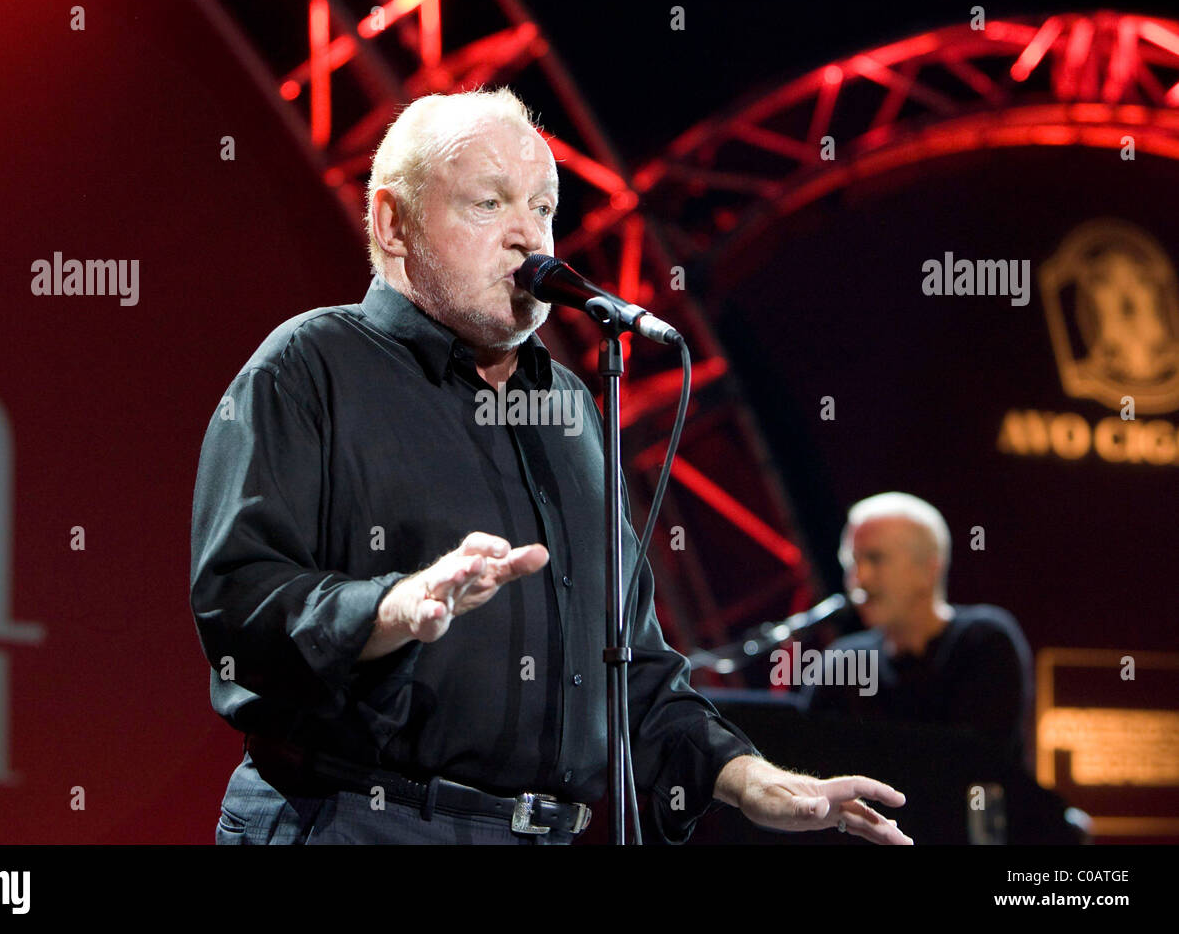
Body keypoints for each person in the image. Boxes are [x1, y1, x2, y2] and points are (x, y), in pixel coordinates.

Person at [189, 86, 911, 845]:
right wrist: (393, 607)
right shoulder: (309, 368)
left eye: (541, 207)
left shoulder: (570, 407)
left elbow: (631, 668)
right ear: (392, 224)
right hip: (351, 823)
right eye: (489, 204)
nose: (528, 238)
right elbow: (240, 607)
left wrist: (753, 780)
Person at [803, 492, 1033, 774]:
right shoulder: (844, 659)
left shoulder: (984, 640)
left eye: (875, 559)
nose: (858, 579)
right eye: (851, 562)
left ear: (928, 570)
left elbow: (980, 764)